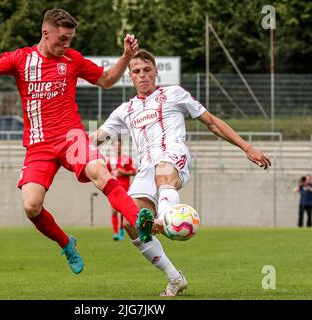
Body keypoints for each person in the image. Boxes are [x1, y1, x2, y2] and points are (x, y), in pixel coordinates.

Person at [0, 9, 154, 275]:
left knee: (100, 171)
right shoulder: (20, 59)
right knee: (31, 206)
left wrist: (125, 57)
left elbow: (107, 80)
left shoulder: (72, 59)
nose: (68, 44)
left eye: (70, 39)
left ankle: (138, 222)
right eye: (63, 38)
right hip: (39, 146)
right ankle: (67, 244)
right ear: (46, 33)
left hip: (71, 138)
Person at [92, 49, 271, 296]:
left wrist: (247, 147)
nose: (142, 75)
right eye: (136, 72)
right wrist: (66, 149)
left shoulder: (174, 94)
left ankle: (164, 219)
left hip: (173, 155)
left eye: (147, 70)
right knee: (129, 222)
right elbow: (97, 138)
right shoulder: (124, 110)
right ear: (130, 77)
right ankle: (175, 277)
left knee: (163, 174)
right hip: (145, 166)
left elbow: (211, 122)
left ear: (155, 72)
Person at [106, 137, 136, 241]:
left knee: (123, 212)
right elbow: (106, 173)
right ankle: (116, 233)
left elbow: (134, 172)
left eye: (119, 145)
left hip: (125, 188)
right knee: (114, 211)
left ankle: (122, 231)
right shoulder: (110, 160)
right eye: (115, 145)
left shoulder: (127, 159)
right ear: (113, 146)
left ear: (121, 146)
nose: (117, 147)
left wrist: (124, 172)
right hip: (113, 188)